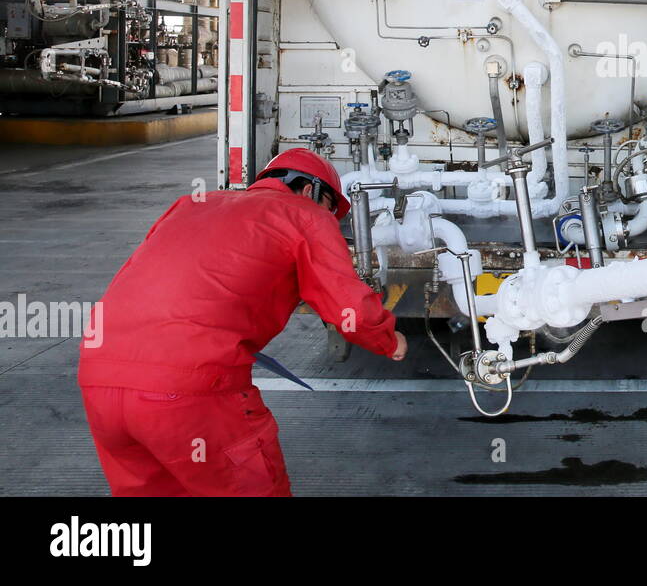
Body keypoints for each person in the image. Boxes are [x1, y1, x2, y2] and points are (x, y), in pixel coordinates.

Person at [78, 148, 405, 496]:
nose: (328, 216)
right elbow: (348, 306)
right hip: (190, 391)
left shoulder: (190, 205)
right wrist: (388, 340)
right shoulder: (305, 215)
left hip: (100, 383)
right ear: (310, 191)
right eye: (329, 207)